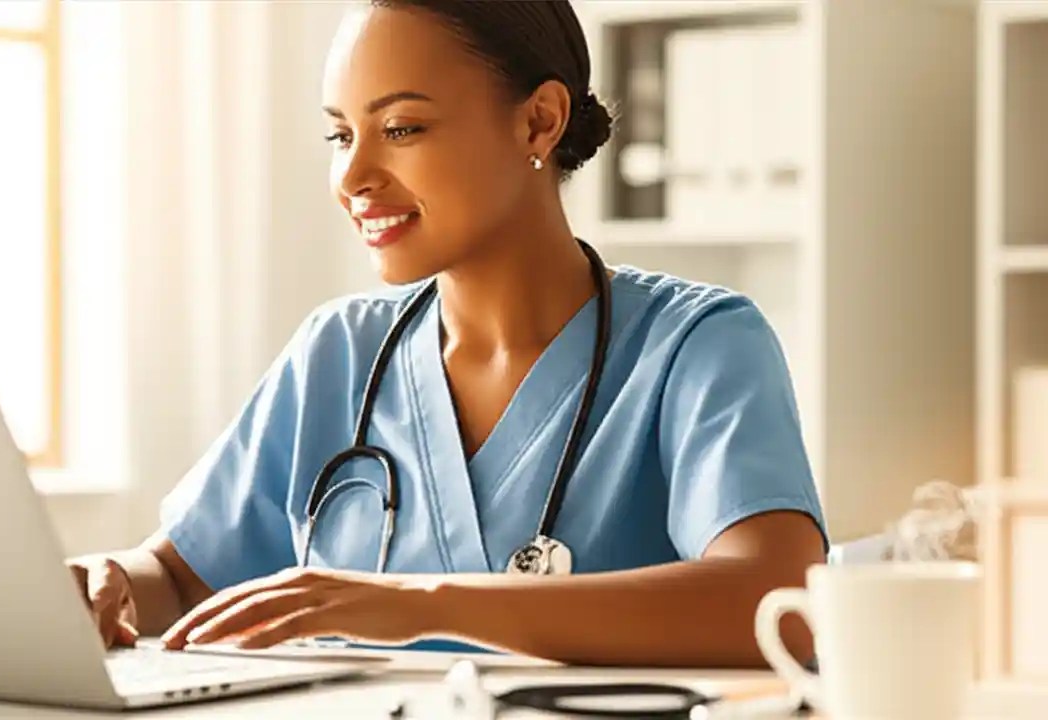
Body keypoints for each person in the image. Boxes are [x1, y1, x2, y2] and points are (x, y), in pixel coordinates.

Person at [68, 0, 827, 668]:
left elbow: (778, 602)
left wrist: (426, 603)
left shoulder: (696, 343)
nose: (353, 177)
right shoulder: (338, 353)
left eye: (401, 127)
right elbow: (174, 578)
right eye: (341, 136)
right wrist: (103, 583)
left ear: (539, 120)